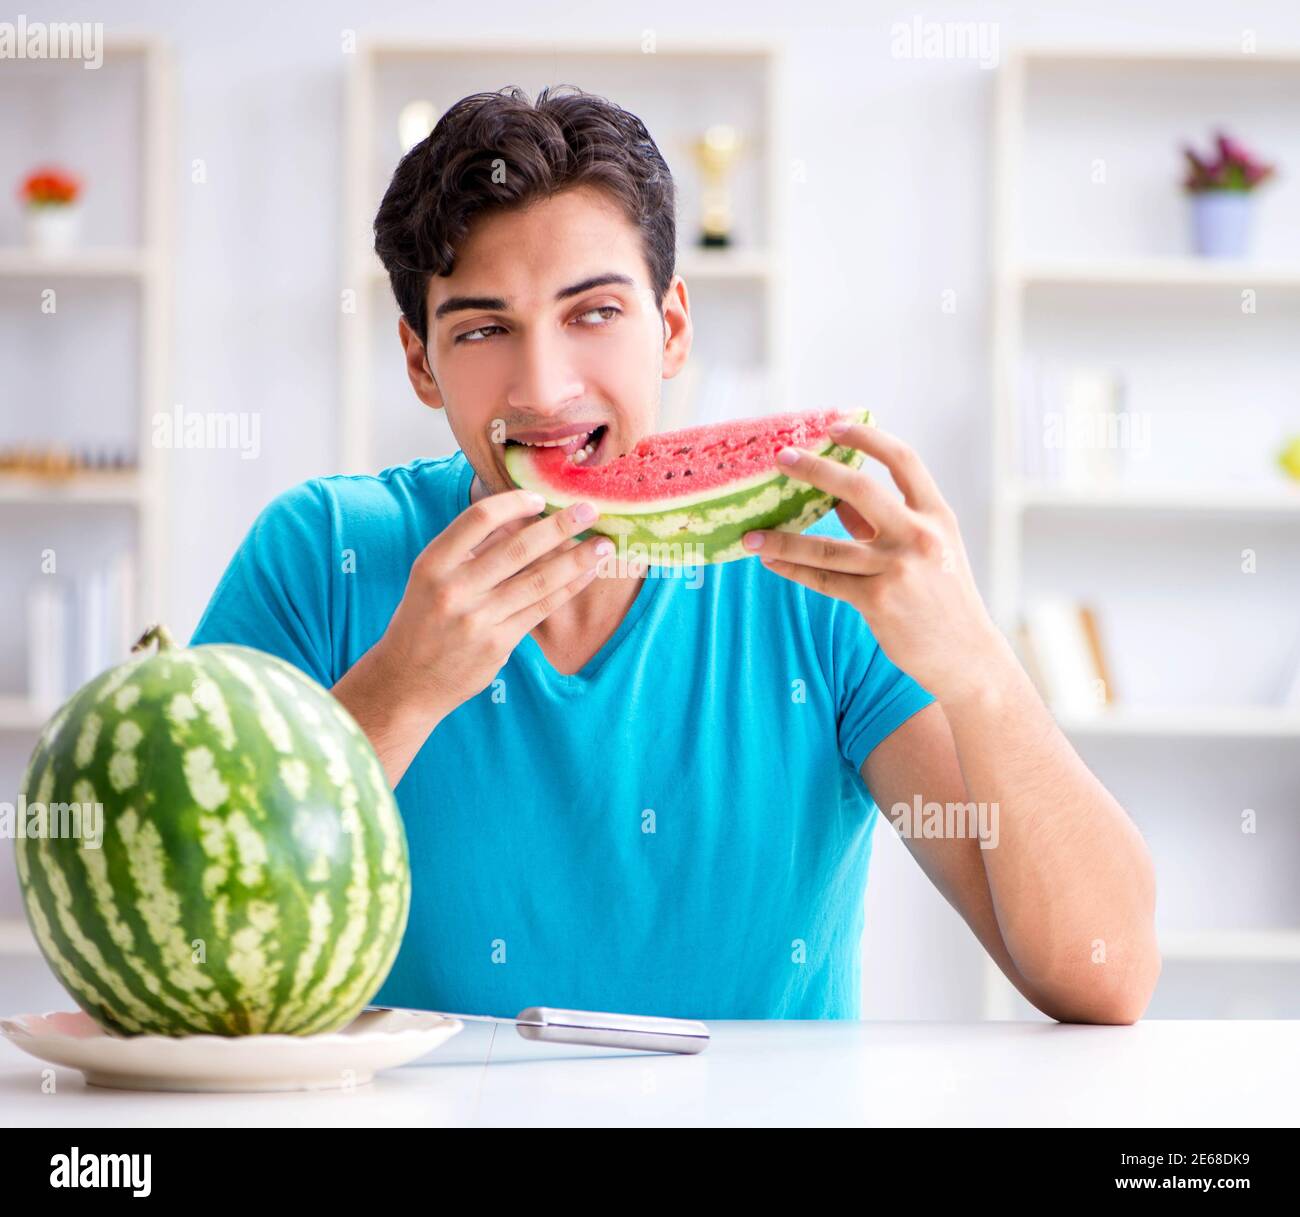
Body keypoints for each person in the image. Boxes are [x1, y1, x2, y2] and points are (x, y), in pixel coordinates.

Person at [191, 85, 1159, 1022]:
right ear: (417, 359)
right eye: (485, 328)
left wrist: (978, 667)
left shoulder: (819, 572)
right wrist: (397, 693)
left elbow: (1102, 976)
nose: (545, 385)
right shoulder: (321, 557)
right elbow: (195, 950)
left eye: (594, 312)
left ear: (674, 327)